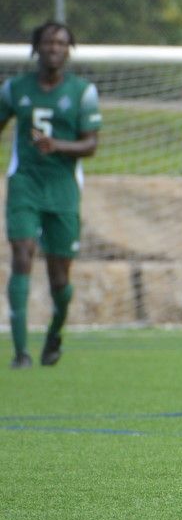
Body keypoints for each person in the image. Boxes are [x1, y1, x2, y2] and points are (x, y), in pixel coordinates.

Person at [2, 22, 102, 369]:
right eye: (48, 42)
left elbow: (91, 144)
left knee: (59, 277)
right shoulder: (15, 89)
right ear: (36, 48)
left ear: (69, 50)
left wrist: (57, 145)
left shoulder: (82, 92)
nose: (54, 48)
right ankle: (20, 352)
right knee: (22, 253)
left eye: (61, 43)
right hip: (25, 183)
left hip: (63, 188)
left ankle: (55, 331)